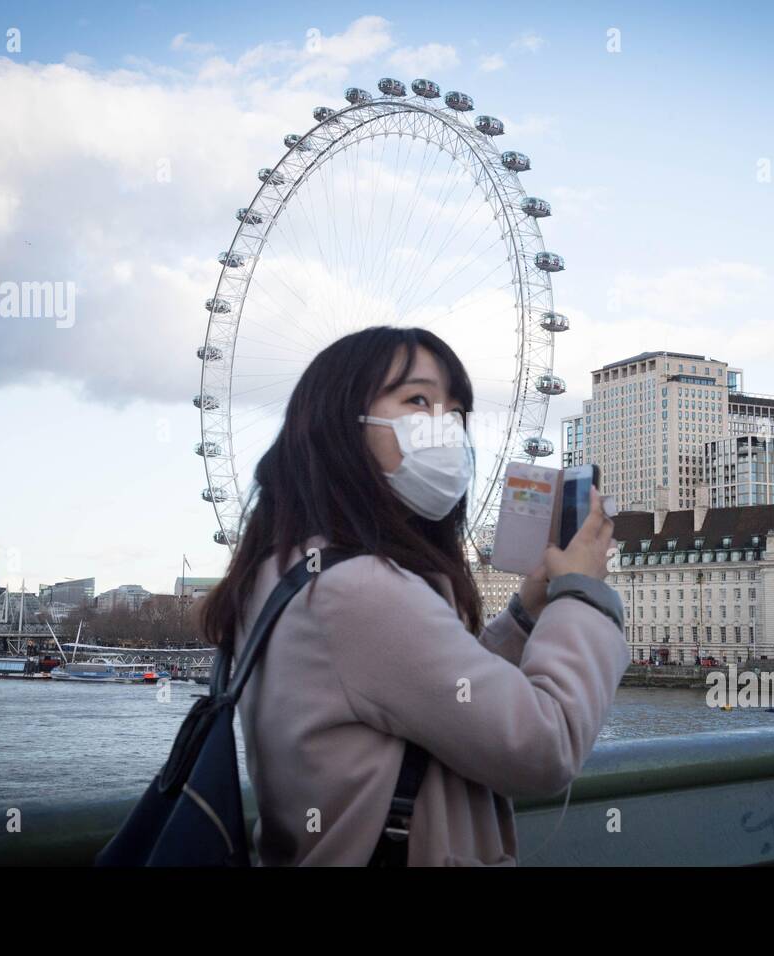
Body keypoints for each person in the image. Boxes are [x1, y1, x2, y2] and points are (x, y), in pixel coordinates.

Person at [200, 326, 628, 866]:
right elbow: (545, 747)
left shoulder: (290, 570)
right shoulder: (359, 591)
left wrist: (527, 614)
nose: (444, 428)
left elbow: (433, 698)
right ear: (340, 423)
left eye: (456, 412)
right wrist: (582, 597)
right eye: (418, 400)